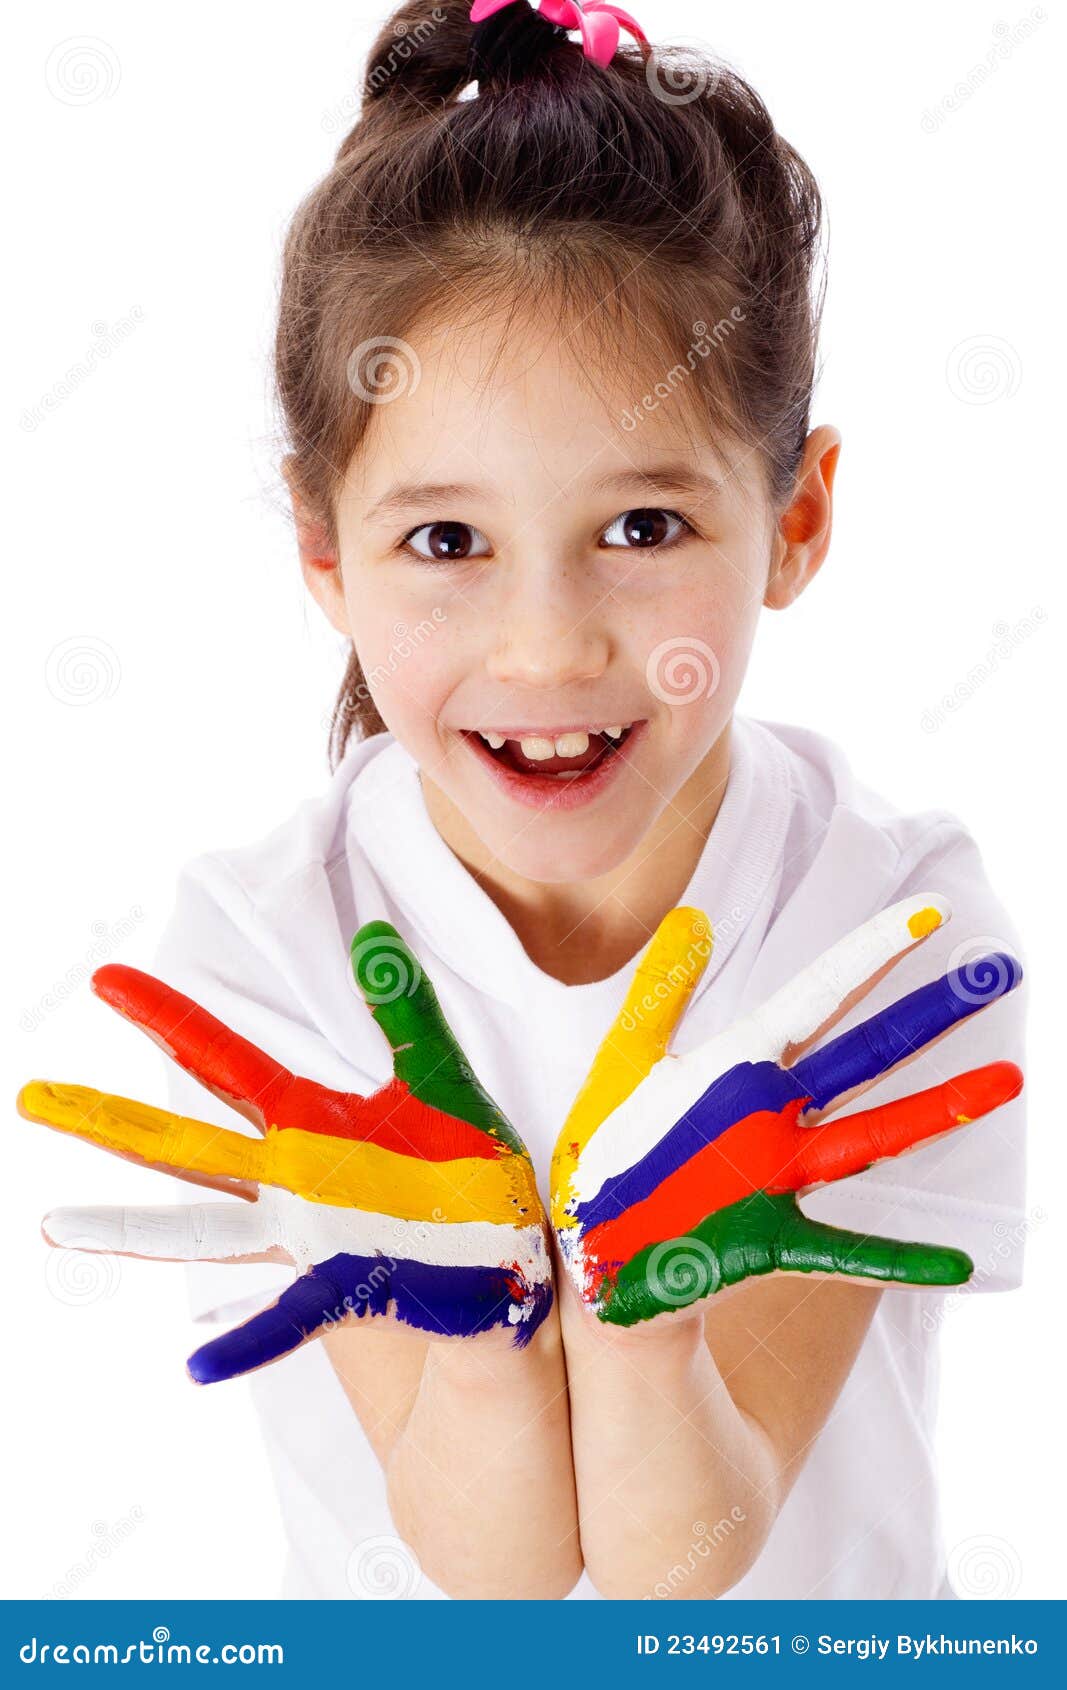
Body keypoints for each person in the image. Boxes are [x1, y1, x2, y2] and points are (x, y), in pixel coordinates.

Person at [51, 1, 1034, 1599]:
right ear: (325, 553)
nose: (548, 645)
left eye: (644, 525)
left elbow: (686, 1564)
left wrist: (640, 1329)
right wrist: (489, 1319)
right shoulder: (272, 948)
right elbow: (496, 1580)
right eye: (447, 541)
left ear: (796, 517)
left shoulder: (880, 933)